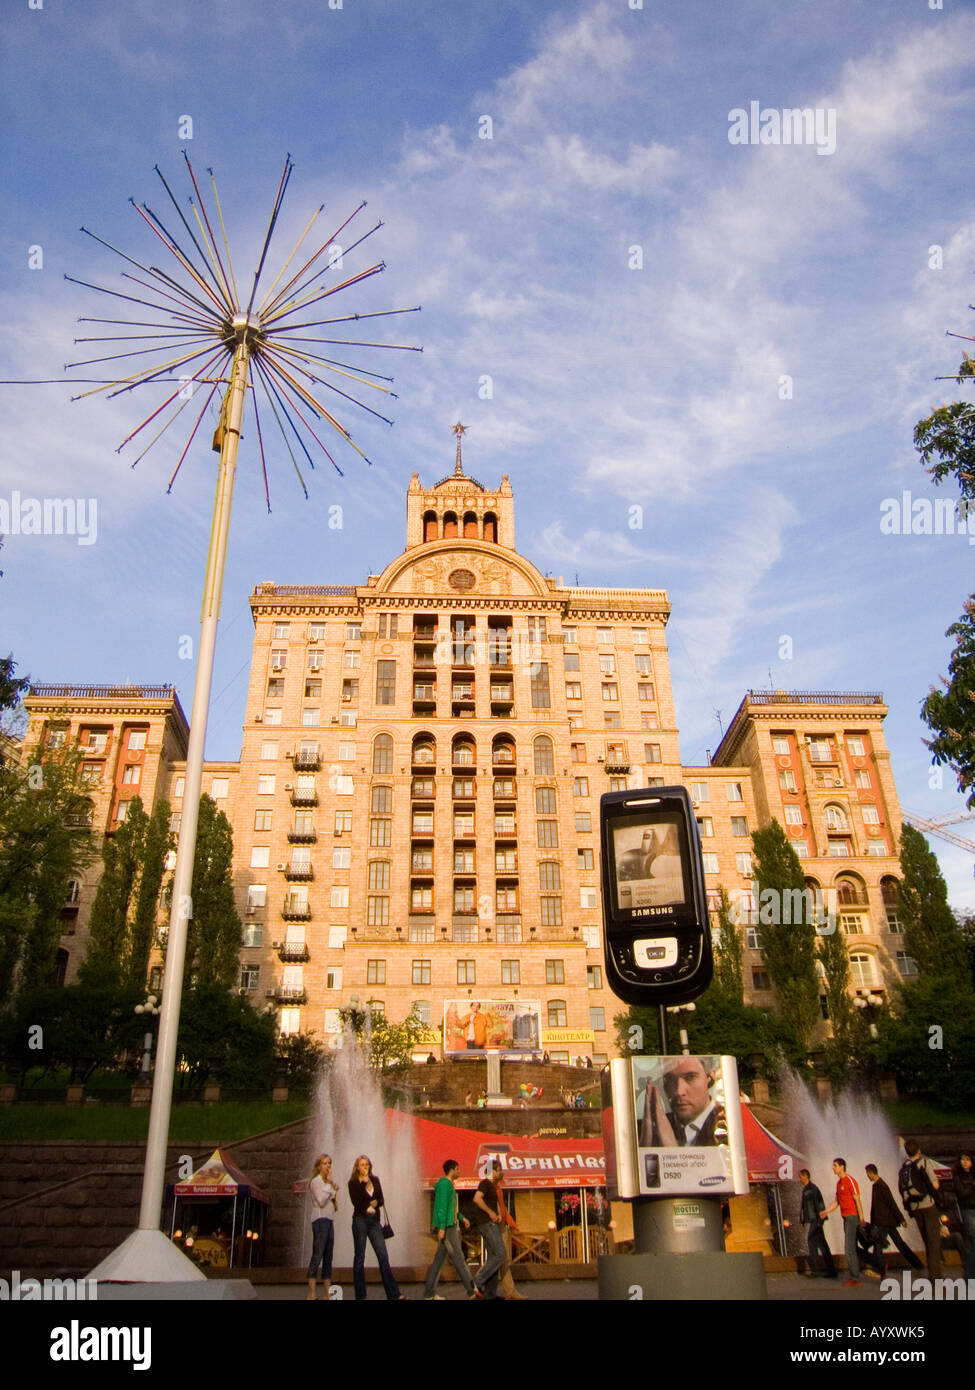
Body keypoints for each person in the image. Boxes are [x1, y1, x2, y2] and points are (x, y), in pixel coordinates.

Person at [348, 1154, 405, 1301]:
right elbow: (356, 1202)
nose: (365, 1167)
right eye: (362, 1165)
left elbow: (381, 1198)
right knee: (360, 1257)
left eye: (367, 1164)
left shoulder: (375, 1180)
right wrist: (364, 1185)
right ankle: (360, 1295)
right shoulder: (353, 1183)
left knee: (383, 1256)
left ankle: (394, 1294)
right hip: (360, 1220)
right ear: (357, 1167)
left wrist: (376, 1202)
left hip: (374, 1221)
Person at [423, 1159, 476, 1301]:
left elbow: (450, 1209)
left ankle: (429, 1293)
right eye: (458, 1169)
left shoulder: (447, 1185)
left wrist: (462, 1217)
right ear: (452, 1170)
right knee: (458, 1258)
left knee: (438, 1261)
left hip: (447, 1224)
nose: (459, 1172)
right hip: (447, 1227)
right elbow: (442, 1207)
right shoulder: (445, 1185)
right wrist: (442, 1228)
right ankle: (472, 1290)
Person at [639, 1056, 721, 1147]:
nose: (679, 1091)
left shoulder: (727, 1124)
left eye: (690, 1077)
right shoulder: (643, 1130)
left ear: (710, 1076)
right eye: (670, 1079)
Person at [864, 1163, 922, 1273]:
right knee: (899, 1243)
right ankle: (917, 1264)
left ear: (871, 1173)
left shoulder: (881, 1185)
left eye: (867, 1174)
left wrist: (901, 1219)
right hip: (886, 1222)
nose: (867, 1176)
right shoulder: (876, 1185)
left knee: (878, 1245)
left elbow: (891, 1203)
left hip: (884, 1221)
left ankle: (879, 1268)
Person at [899, 1139, 941, 1279]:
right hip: (928, 1205)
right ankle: (935, 1278)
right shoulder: (923, 1163)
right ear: (919, 1150)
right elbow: (935, 1185)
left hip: (914, 1208)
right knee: (933, 1242)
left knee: (927, 1241)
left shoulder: (905, 1167)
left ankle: (933, 1273)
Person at [821, 1157, 865, 1286]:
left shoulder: (850, 1181)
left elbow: (857, 1200)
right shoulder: (839, 1183)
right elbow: (837, 1202)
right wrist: (826, 1211)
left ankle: (855, 1278)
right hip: (846, 1218)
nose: (833, 1168)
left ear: (842, 1167)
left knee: (849, 1248)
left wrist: (861, 1218)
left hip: (852, 1217)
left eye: (835, 1165)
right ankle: (878, 1263)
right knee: (853, 1248)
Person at [470, 1159, 507, 1299]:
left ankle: (490, 1293)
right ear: (494, 1170)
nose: (501, 1172)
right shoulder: (485, 1183)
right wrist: (490, 1213)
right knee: (500, 1254)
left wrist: (497, 1215)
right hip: (487, 1224)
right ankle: (477, 1281)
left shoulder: (491, 1185)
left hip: (489, 1223)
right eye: (500, 1170)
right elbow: (477, 1199)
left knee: (493, 1257)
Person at [307, 1153, 338, 1301]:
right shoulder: (316, 1181)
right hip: (320, 1220)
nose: (328, 1166)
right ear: (319, 1166)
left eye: (329, 1163)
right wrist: (329, 1185)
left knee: (328, 1257)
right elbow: (320, 1200)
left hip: (329, 1219)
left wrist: (332, 1186)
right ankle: (312, 1293)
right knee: (317, 1254)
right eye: (325, 1163)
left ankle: (328, 1294)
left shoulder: (328, 1183)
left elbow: (334, 1203)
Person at [798, 1169, 836, 1278]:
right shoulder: (806, 1189)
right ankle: (829, 1270)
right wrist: (803, 1220)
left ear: (806, 1176)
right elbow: (805, 1207)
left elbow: (819, 1204)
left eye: (800, 1176)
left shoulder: (812, 1189)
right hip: (814, 1220)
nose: (799, 1178)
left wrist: (820, 1221)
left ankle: (818, 1270)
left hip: (816, 1221)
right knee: (820, 1245)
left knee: (812, 1242)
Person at [952, 1152, 975, 1273]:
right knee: (973, 1237)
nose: (965, 1162)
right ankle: (969, 1268)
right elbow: (961, 1193)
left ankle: (969, 1266)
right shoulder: (958, 1176)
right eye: (962, 1159)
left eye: (967, 1160)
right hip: (967, 1209)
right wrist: (971, 1186)